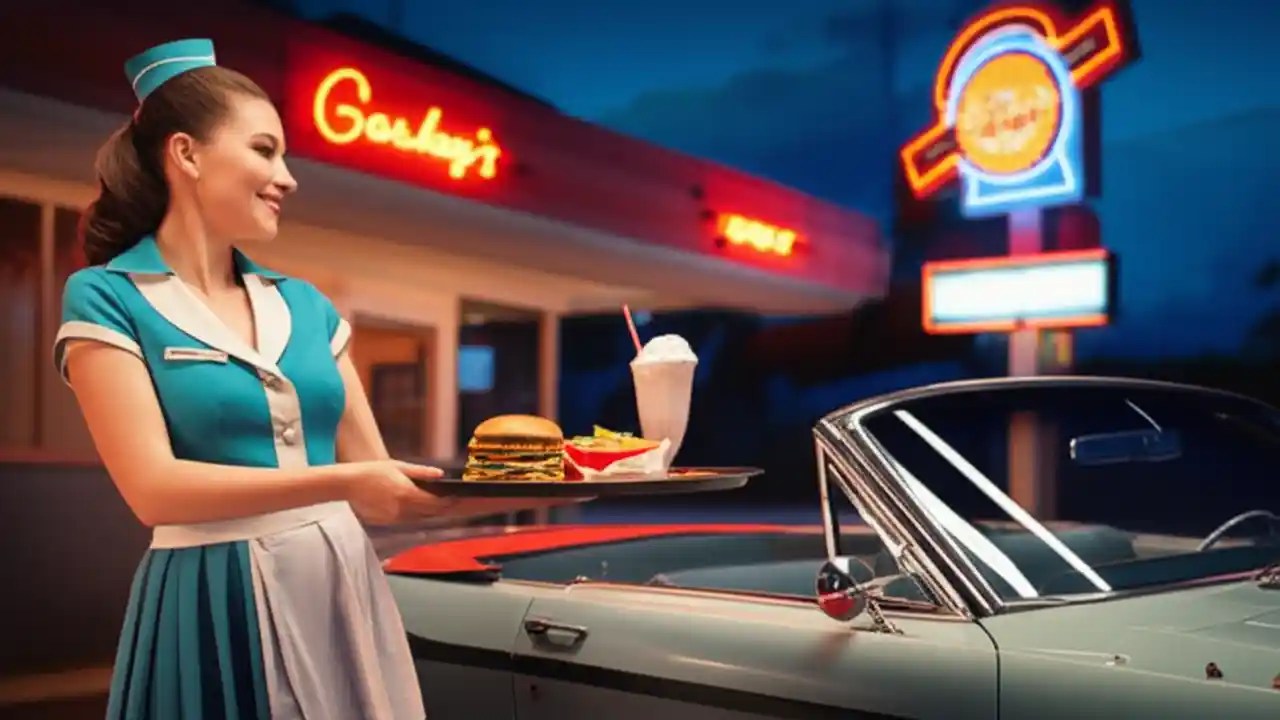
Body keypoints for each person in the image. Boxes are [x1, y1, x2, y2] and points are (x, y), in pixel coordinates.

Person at [58, 38, 556, 719]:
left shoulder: (306, 306)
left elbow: (386, 494)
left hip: (338, 583)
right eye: (265, 150)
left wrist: (565, 488)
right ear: (187, 154)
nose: (287, 177)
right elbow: (153, 490)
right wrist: (343, 482)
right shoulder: (106, 297)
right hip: (212, 590)